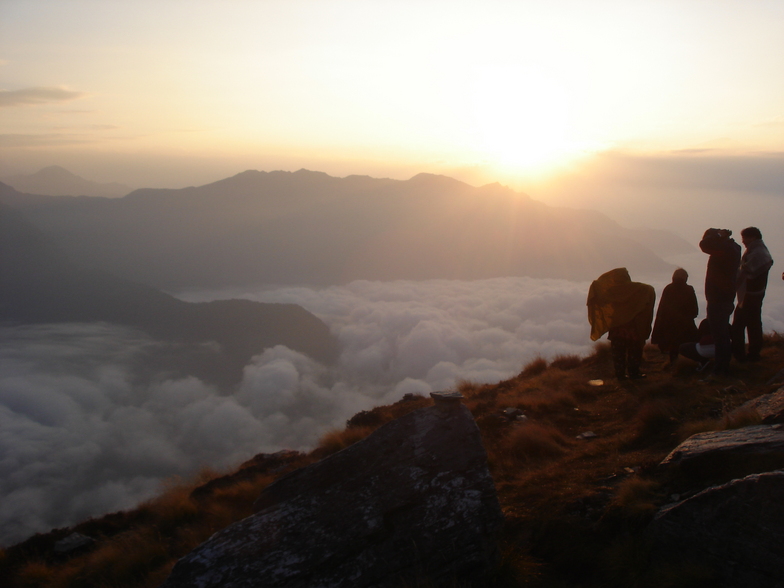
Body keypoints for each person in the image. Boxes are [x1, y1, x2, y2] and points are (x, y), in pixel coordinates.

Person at [587, 267, 656, 380]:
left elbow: (601, 299)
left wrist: (596, 285)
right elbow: (648, 290)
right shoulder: (638, 289)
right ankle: (634, 374)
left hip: (617, 327)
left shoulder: (611, 291)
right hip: (632, 327)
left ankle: (620, 375)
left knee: (618, 353)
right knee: (634, 351)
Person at [699, 228, 742, 377]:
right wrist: (720, 236)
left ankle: (720, 369)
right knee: (721, 332)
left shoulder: (724, 249)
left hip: (718, 296)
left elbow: (704, 244)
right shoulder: (734, 247)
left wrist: (717, 235)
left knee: (720, 335)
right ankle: (722, 366)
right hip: (726, 296)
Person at [731, 227, 774, 362]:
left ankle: (741, 355)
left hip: (750, 295)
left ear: (753, 237)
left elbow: (747, 272)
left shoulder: (758, 253)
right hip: (754, 294)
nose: (743, 241)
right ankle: (753, 354)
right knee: (753, 323)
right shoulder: (757, 250)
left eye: (745, 238)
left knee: (739, 325)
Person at [651, 268, 699, 365]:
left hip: (669, 325)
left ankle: (673, 363)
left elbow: (662, 309)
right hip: (686, 325)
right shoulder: (689, 289)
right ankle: (688, 364)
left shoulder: (668, 288)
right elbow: (694, 310)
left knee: (673, 347)